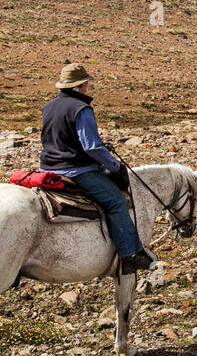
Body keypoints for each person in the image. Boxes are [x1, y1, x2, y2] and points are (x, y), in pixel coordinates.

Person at [40, 63, 155, 275]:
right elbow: (91, 146)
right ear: (80, 86)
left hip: (47, 168)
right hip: (76, 170)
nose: (87, 87)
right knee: (116, 202)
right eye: (86, 84)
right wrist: (115, 165)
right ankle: (130, 255)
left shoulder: (48, 107)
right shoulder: (81, 109)